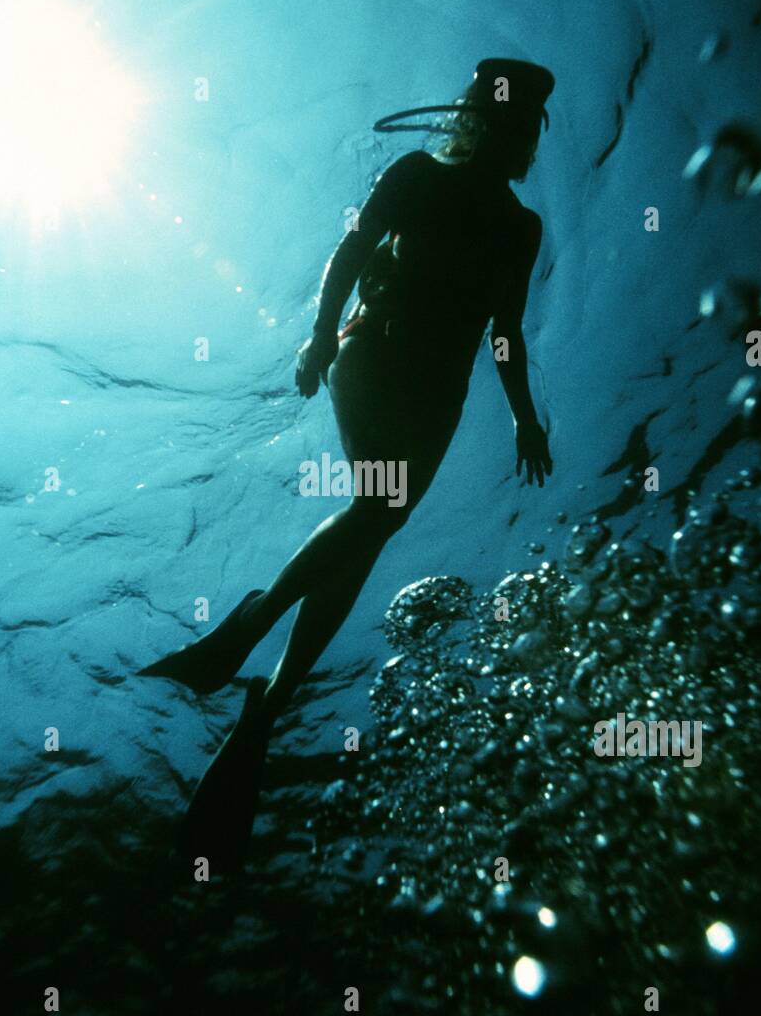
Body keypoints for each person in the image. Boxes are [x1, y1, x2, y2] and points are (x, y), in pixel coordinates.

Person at [140, 58, 555, 867]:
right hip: (372, 354)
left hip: (440, 395)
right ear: (478, 120)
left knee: (377, 524)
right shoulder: (414, 173)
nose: (513, 134)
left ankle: (266, 704)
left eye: (524, 126)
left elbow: (506, 330)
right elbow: (353, 251)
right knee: (378, 505)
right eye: (504, 118)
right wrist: (322, 333)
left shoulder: (520, 229)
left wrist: (525, 421)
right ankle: (248, 632)